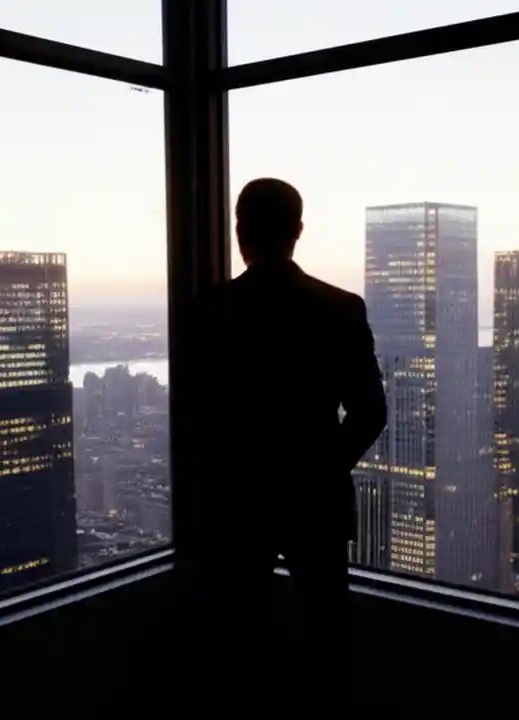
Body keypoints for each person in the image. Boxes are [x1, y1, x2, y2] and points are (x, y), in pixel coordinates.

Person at [184, 178, 387, 700]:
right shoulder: (339, 308)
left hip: (236, 504)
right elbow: (370, 413)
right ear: (298, 231)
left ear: (239, 231)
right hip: (315, 504)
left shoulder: (211, 311)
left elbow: (198, 416)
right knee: (327, 642)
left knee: (233, 647)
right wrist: (318, 470)